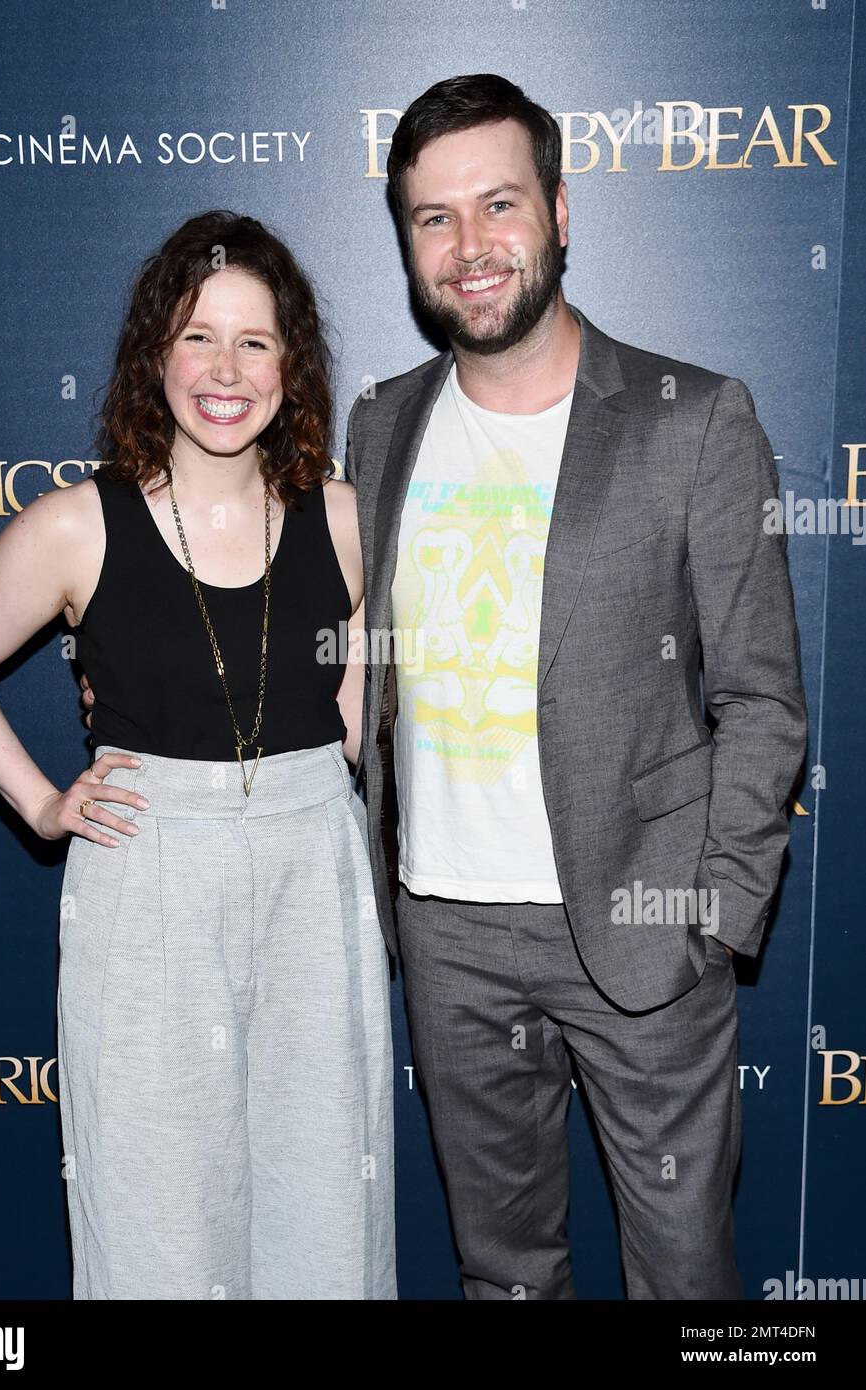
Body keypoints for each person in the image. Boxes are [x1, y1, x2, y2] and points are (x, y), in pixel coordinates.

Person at [341, 74, 806, 1299]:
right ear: (405, 242)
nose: (471, 246)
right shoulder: (380, 425)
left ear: (559, 209)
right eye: (433, 218)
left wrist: (717, 912)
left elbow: (761, 698)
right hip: (444, 928)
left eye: (498, 204)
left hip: (644, 928)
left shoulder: (693, 419)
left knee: (687, 1277)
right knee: (503, 1275)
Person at [0, 210, 396, 1301]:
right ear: (156, 354)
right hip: (147, 874)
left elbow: (362, 696)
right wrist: (43, 804)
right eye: (198, 337)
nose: (226, 370)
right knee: (153, 1208)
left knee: (327, 1190)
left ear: (292, 363)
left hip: (312, 871)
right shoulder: (79, 526)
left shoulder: (348, 518)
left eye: (256, 342)